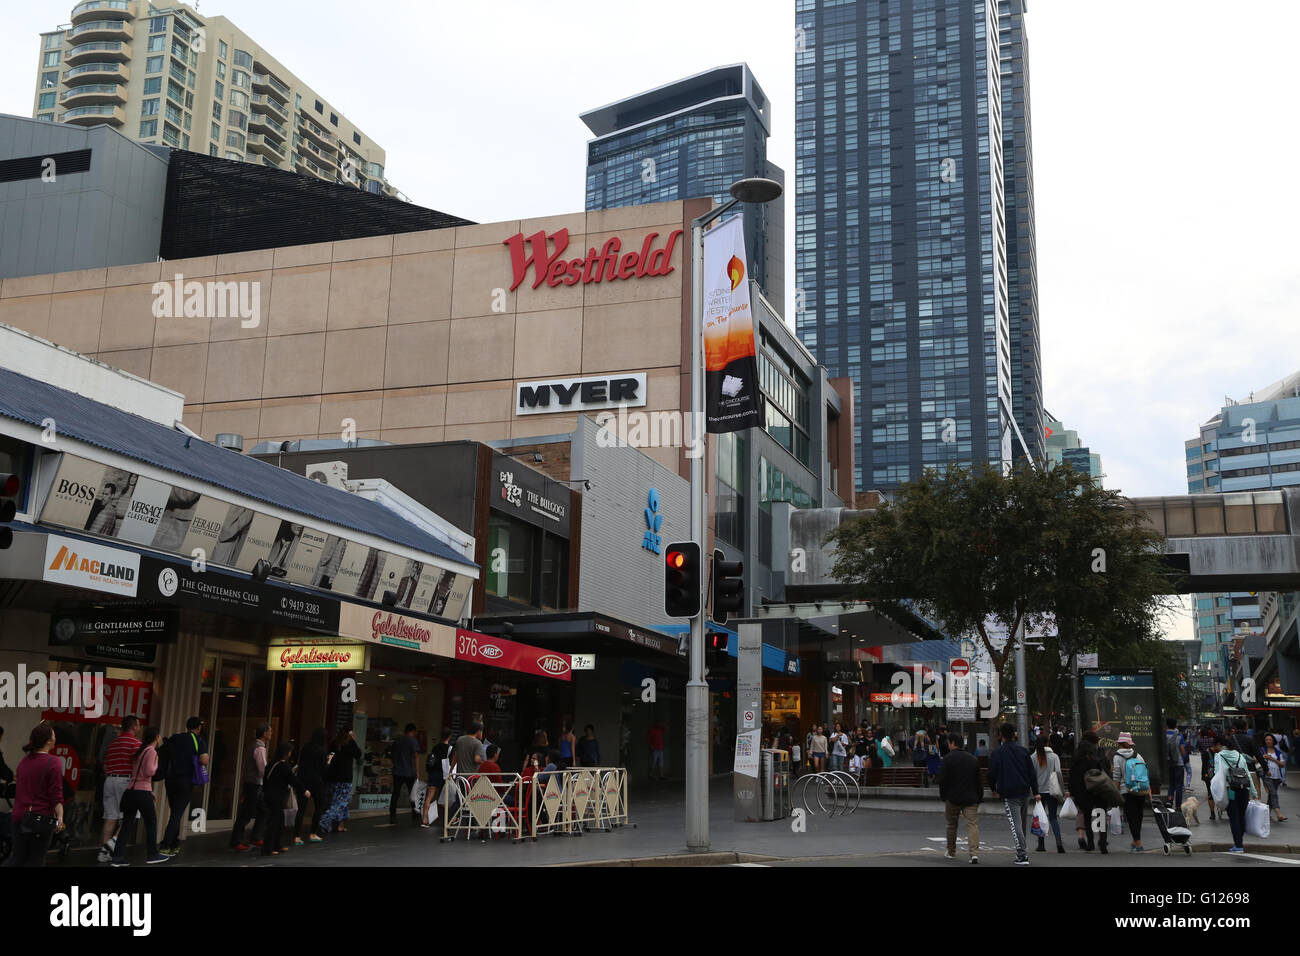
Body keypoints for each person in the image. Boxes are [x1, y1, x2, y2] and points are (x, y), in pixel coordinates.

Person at [4, 724, 64, 867]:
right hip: (39, 819)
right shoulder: (53, 762)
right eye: (54, 736)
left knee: (17, 858)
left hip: (18, 817)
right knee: (36, 860)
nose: (56, 739)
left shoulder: (24, 762)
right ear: (48, 741)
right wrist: (60, 818)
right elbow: (55, 795)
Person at [111, 725, 167, 866]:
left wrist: (150, 791)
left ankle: (117, 857)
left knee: (127, 824)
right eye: (159, 735)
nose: (160, 738)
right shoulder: (152, 752)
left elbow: (138, 774)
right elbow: (149, 772)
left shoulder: (140, 751)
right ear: (156, 737)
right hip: (142, 792)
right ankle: (152, 854)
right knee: (151, 822)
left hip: (131, 791)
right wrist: (157, 764)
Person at [988, 722, 1038, 865]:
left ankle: (1022, 855)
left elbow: (992, 774)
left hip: (1009, 793)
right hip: (1024, 791)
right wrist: (1036, 791)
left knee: (1015, 824)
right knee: (1021, 823)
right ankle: (1022, 850)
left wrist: (993, 788)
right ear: (1014, 735)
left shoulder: (998, 753)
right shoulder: (1023, 751)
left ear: (1001, 736)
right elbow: (1031, 773)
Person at [159, 716, 208, 856]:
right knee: (176, 813)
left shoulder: (175, 738)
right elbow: (204, 760)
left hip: (170, 780)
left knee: (175, 811)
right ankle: (165, 845)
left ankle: (174, 844)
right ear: (198, 728)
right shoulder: (198, 741)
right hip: (185, 781)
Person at [937, 733, 982, 863]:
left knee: (951, 825)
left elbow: (943, 780)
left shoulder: (947, 759)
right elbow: (978, 781)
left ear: (952, 743)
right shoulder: (973, 759)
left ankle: (951, 852)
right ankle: (974, 854)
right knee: (972, 824)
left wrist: (943, 796)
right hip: (971, 798)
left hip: (952, 797)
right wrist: (979, 797)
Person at [99, 715, 139, 851]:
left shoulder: (112, 744)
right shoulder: (136, 744)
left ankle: (104, 851)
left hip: (109, 780)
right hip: (125, 781)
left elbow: (105, 766)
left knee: (110, 817)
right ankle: (113, 843)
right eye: (137, 725)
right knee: (129, 816)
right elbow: (139, 766)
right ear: (134, 727)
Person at [229, 723, 270, 852]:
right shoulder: (260, 748)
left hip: (250, 783)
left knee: (262, 810)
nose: (271, 734)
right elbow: (263, 768)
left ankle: (256, 837)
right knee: (246, 813)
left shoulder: (252, 745)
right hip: (255, 784)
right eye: (270, 731)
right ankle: (236, 841)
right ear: (264, 733)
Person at [262, 742, 307, 856]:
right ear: (287, 753)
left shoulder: (271, 763)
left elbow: (265, 779)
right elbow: (293, 780)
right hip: (276, 797)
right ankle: (268, 848)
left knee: (279, 821)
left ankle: (277, 845)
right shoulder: (283, 765)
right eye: (290, 752)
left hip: (269, 795)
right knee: (274, 822)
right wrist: (304, 790)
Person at [1215, 735, 1257, 853]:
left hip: (1231, 790)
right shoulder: (1240, 755)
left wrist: (1217, 791)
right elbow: (1247, 773)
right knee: (1241, 815)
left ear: (1221, 746)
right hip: (1244, 789)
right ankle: (1240, 841)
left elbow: (1218, 775)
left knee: (1234, 817)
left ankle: (1238, 845)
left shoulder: (1219, 756)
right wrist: (1253, 792)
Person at [1070, 732, 1109, 853]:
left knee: (1086, 816)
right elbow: (1106, 768)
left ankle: (1090, 843)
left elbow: (1073, 774)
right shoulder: (1099, 752)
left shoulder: (1078, 753)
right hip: (1099, 787)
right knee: (1101, 814)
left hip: (1084, 790)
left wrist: (1073, 791)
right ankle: (1102, 843)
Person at [318, 728, 362, 836]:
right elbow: (358, 754)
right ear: (350, 734)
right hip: (344, 778)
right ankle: (324, 821)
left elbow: (329, 757)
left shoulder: (334, 743)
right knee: (340, 803)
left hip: (331, 777)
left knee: (332, 802)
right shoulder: (350, 743)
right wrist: (354, 740)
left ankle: (339, 825)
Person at [1111, 731, 1149, 852]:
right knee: (1139, 816)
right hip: (1141, 790)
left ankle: (1138, 844)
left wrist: (1114, 794)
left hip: (1126, 790)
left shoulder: (1117, 757)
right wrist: (1149, 790)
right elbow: (1145, 773)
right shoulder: (1138, 755)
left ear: (1120, 743)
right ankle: (1135, 841)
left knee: (1131, 817)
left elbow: (1116, 776)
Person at [1031, 734, 1066, 854]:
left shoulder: (1033, 757)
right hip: (1052, 790)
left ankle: (1041, 844)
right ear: (1048, 743)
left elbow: (1032, 776)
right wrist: (1062, 790)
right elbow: (1058, 773)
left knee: (1040, 816)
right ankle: (1059, 843)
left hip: (1039, 792)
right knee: (1053, 817)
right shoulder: (1054, 757)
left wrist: (1034, 791)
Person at [296, 728, 329, 843]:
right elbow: (324, 769)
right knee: (319, 806)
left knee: (301, 809)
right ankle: (313, 833)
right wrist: (328, 762)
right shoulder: (322, 751)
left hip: (303, 780)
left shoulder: (305, 748)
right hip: (316, 781)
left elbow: (300, 763)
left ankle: (296, 836)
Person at [389, 723, 421, 827]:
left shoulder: (397, 741)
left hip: (397, 771)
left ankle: (392, 815)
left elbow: (392, 754)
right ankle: (415, 811)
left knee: (395, 793)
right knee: (412, 793)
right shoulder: (413, 741)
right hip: (409, 771)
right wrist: (417, 771)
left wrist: (395, 763)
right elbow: (416, 757)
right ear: (413, 731)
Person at [422, 729, 454, 828]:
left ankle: (424, 819)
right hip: (444, 774)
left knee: (429, 797)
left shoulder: (435, 747)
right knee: (446, 797)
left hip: (434, 773)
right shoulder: (450, 749)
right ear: (449, 736)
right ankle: (450, 819)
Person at [1259, 733, 1287, 823]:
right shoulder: (1262, 750)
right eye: (1266, 739)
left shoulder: (1278, 752)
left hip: (1277, 776)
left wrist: (1272, 759)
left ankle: (1267, 813)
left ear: (1273, 741)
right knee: (1273, 793)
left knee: (1271, 794)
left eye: (1270, 739)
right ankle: (1279, 814)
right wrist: (1262, 757)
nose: (1268, 741)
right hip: (1266, 775)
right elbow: (1255, 759)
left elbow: (1282, 764)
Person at [1164, 718, 1185, 813]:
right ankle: (1178, 806)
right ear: (1176, 725)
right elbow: (1182, 750)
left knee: (1171, 784)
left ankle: (1169, 800)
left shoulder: (1163, 735)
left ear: (1167, 725)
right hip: (1179, 763)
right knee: (1179, 785)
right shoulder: (1179, 736)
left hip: (1168, 763)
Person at [1199, 729, 1219, 821]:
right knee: (1210, 794)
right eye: (1218, 746)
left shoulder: (1220, 753)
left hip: (1218, 775)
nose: (1220, 748)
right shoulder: (1207, 753)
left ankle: (1221, 809)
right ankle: (1212, 812)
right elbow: (1204, 765)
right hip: (1210, 775)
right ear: (1214, 745)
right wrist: (1204, 775)